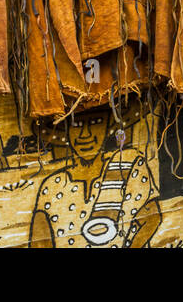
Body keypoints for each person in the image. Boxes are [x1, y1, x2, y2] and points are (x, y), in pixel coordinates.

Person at [29, 105, 161, 247]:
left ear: (107, 127)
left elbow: (152, 218)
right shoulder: (52, 186)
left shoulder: (128, 163)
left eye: (96, 122)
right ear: (66, 132)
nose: (85, 135)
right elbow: (40, 241)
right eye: (76, 125)